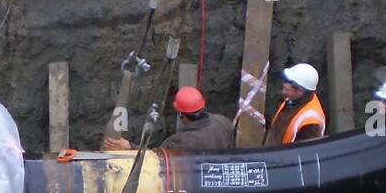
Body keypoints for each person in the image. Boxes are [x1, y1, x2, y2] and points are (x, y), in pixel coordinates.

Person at [101, 86, 233, 153]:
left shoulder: (182, 141)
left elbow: (157, 161)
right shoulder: (223, 122)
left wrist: (129, 148)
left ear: (181, 114)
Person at [265, 63, 326, 145]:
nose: (284, 84)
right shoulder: (293, 100)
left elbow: (301, 154)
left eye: (288, 83)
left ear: (300, 91)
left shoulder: (310, 123)